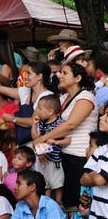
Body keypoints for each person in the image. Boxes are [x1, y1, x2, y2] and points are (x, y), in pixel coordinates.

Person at [34, 60, 97, 209]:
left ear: (77, 78)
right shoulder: (62, 98)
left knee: (76, 202)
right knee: (63, 201)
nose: (59, 75)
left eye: (64, 73)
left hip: (80, 156)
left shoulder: (86, 96)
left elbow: (70, 125)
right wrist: (42, 147)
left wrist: (42, 139)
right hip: (63, 154)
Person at [31, 94, 66, 203]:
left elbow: (68, 140)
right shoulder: (42, 123)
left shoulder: (60, 123)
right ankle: (47, 203)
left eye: (39, 108)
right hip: (42, 158)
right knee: (46, 184)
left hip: (54, 160)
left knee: (57, 184)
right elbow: (35, 138)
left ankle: (58, 203)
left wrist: (56, 142)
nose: (36, 111)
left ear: (50, 111)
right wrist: (34, 124)